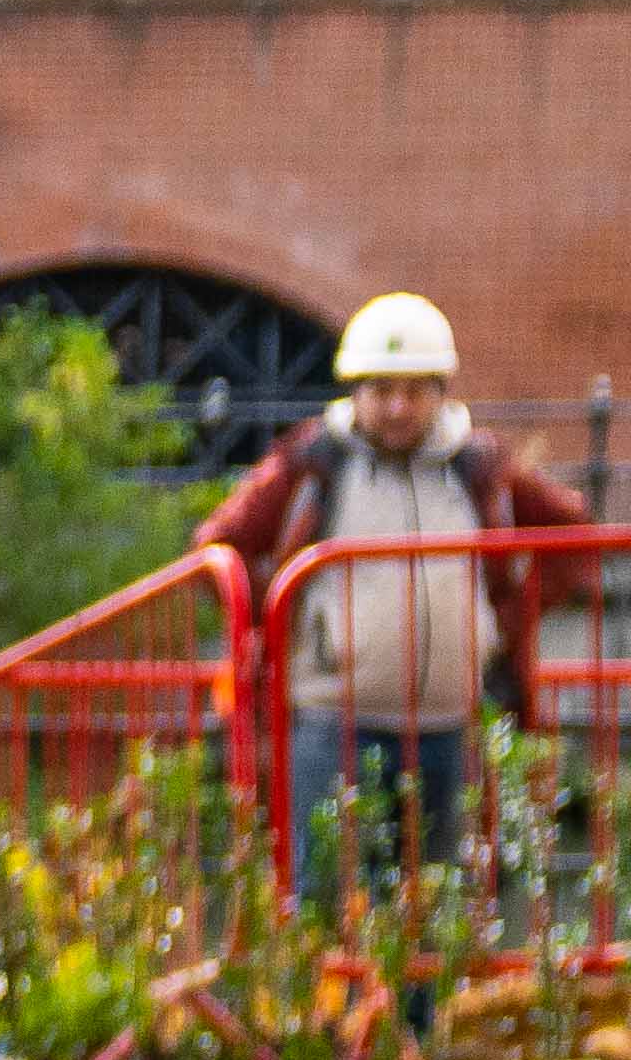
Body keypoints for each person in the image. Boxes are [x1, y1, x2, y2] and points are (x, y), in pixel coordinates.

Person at [199, 298, 596, 889]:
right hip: (333, 721)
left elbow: (574, 533)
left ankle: (421, 990)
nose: (397, 408)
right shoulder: (312, 464)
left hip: (449, 723)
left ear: (441, 392)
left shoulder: (479, 467)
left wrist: (508, 617)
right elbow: (218, 548)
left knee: (437, 906)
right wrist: (281, 615)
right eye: (381, 390)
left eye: (414, 391)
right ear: (354, 391)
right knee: (326, 896)